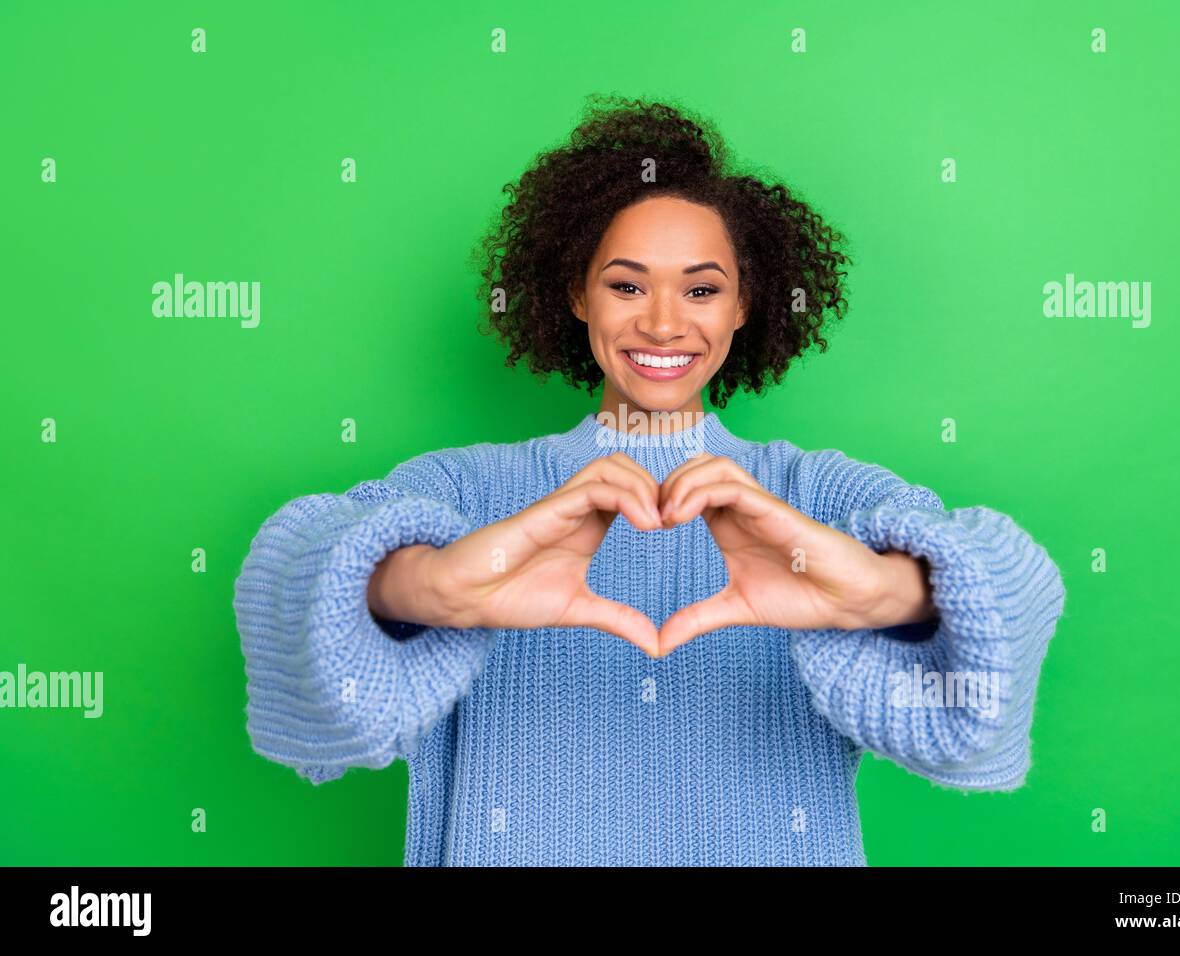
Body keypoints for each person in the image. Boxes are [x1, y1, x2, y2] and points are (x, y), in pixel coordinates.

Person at [233, 95, 1066, 866]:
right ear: (575, 293)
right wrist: (425, 587)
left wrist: (885, 594)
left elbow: (1013, 598)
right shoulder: (466, 491)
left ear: (744, 305)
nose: (663, 323)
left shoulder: (817, 498)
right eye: (626, 284)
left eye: (701, 290)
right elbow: (290, 577)